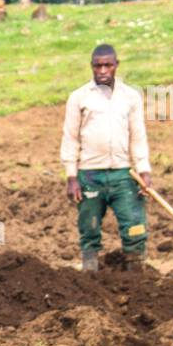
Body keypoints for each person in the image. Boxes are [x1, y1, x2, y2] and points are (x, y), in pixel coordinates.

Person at [60, 43, 153, 271]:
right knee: (89, 227)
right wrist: (71, 176)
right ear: (92, 67)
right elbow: (70, 137)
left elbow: (138, 136)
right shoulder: (79, 97)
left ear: (116, 66)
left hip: (123, 173)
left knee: (134, 224)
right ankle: (90, 273)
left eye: (107, 65)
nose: (102, 70)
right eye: (97, 66)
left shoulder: (130, 97)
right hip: (89, 174)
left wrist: (144, 170)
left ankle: (137, 273)